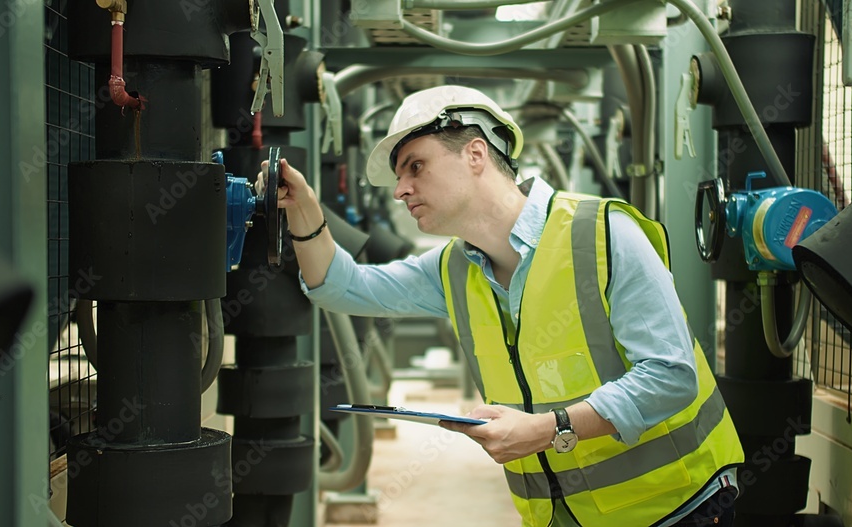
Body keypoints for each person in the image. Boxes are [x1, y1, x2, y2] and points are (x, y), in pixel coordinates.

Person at [265, 85, 744, 526]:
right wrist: (306, 211)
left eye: (416, 166)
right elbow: (343, 287)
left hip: (680, 506)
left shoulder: (602, 235)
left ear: (475, 154)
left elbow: (671, 375)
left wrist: (550, 428)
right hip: (567, 517)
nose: (400, 190)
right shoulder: (454, 268)